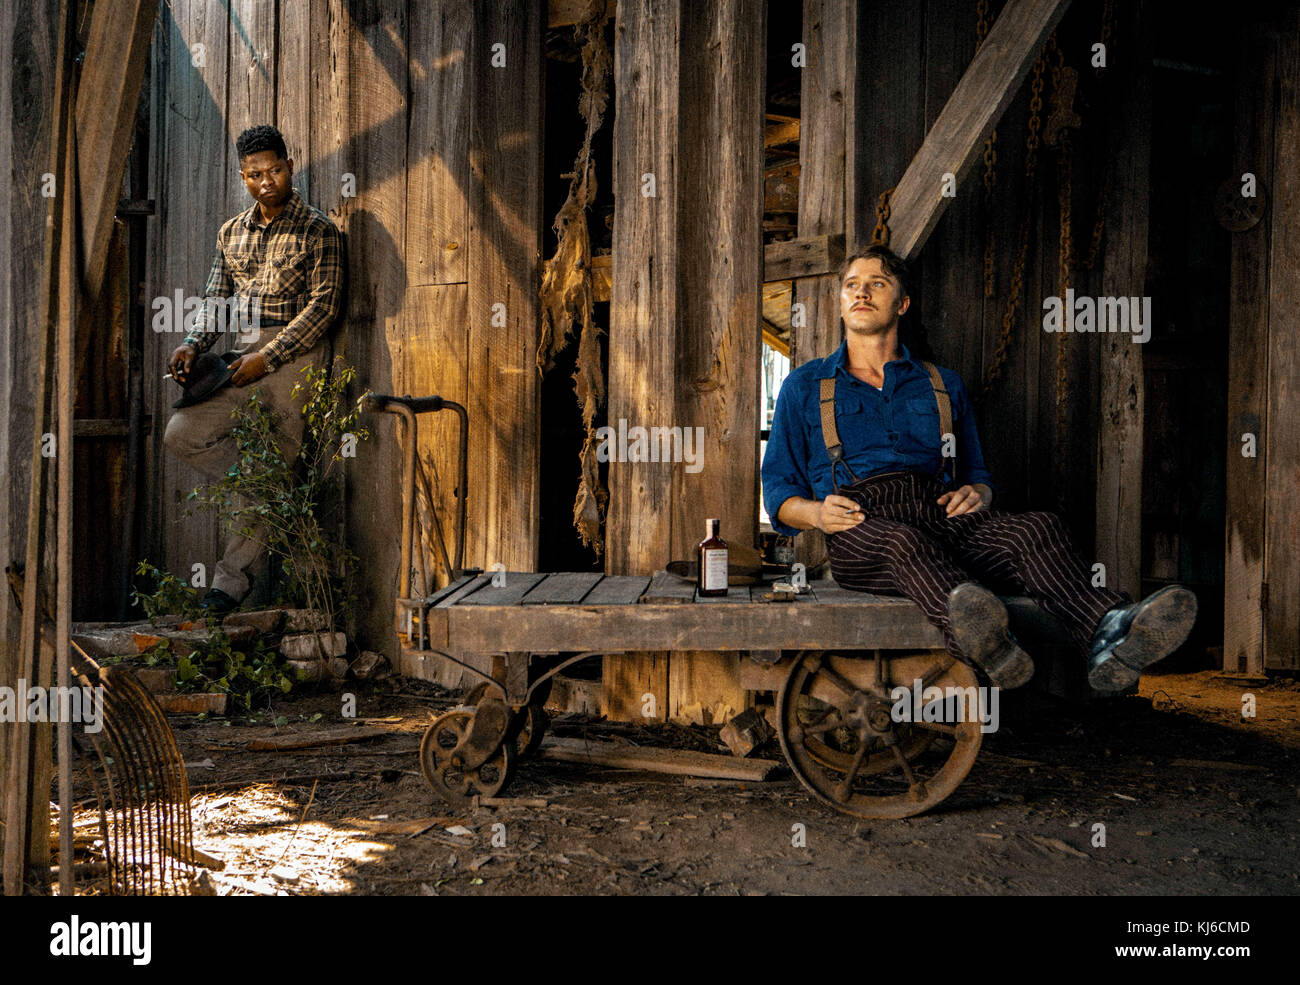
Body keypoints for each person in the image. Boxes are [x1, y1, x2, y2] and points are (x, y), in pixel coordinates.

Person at [760, 245, 1196, 691]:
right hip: (862, 528)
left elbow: (977, 474)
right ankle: (991, 645)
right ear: (840, 301)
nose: (861, 293)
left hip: (941, 517)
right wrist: (816, 515)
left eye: (877, 284)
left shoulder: (941, 384)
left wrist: (980, 494)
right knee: (905, 542)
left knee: (1038, 528)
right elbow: (777, 490)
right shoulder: (806, 385)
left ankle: (1111, 632)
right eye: (852, 285)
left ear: (903, 304)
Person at [164, 125, 344, 617]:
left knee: (273, 464)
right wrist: (192, 341)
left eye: (276, 170)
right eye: (255, 174)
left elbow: (323, 309)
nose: (267, 182)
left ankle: (228, 587)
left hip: (295, 357)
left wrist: (270, 357)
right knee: (182, 433)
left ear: (290, 165)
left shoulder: (318, 230)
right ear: (243, 176)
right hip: (238, 355)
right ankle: (262, 491)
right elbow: (216, 300)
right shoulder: (231, 232)